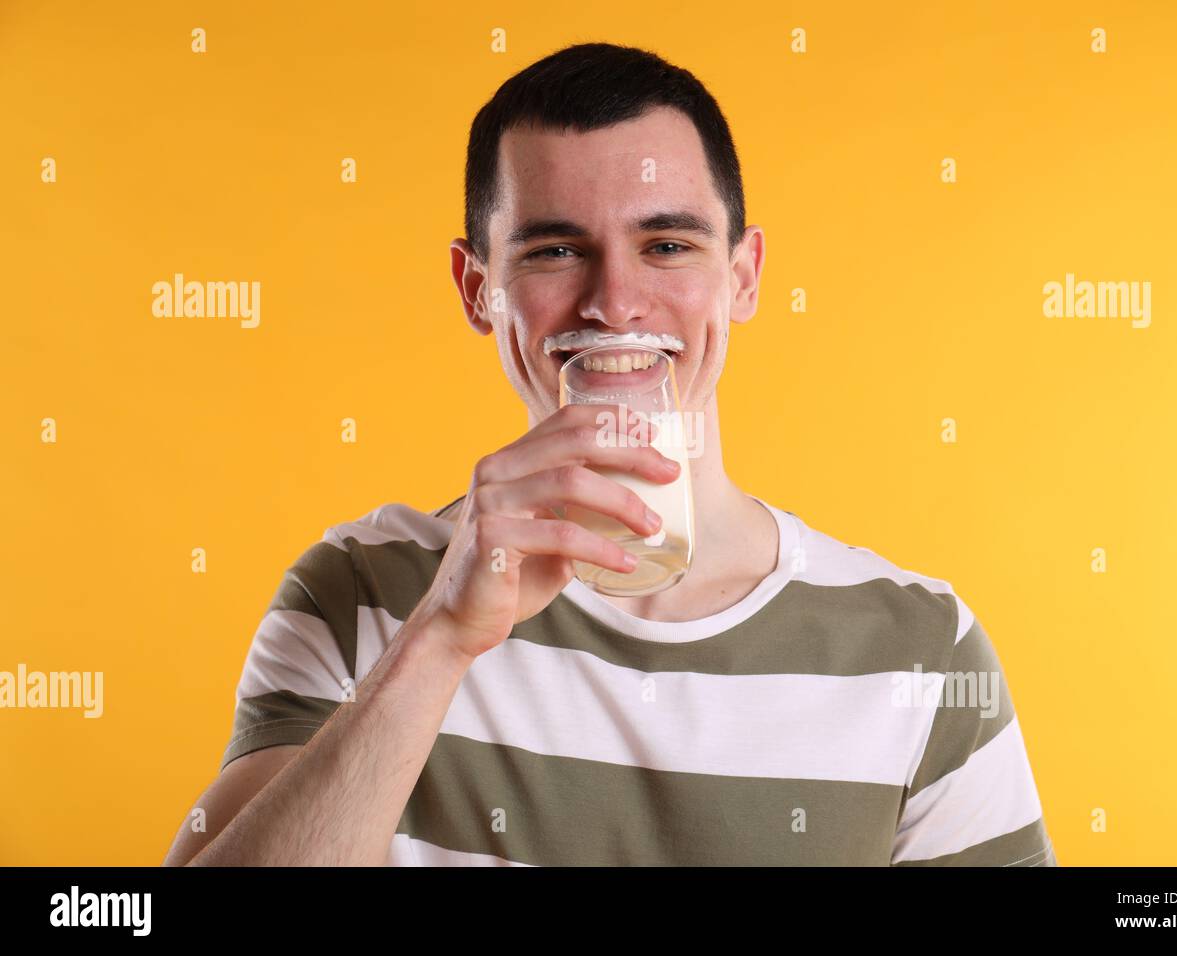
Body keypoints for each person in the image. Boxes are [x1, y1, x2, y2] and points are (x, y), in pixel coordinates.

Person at [163, 41, 1056, 867]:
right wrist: (438, 640)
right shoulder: (357, 594)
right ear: (480, 290)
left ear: (741, 278)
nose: (616, 303)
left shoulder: (922, 650)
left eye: (667, 245)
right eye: (555, 249)